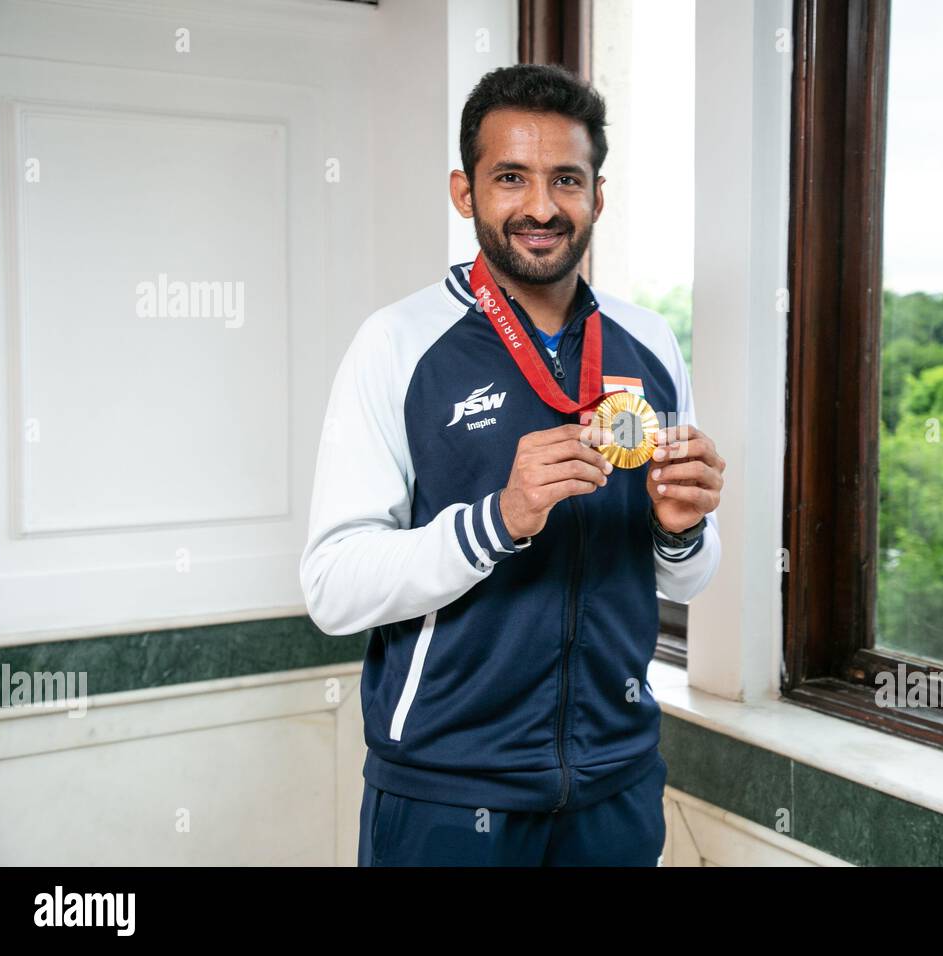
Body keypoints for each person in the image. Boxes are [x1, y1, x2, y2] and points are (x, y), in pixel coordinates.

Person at [300, 63, 724, 866]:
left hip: (616, 785)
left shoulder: (651, 343)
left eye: (567, 179)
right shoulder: (397, 344)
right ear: (465, 192)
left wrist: (681, 530)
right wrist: (497, 521)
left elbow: (686, 580)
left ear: (598, 196)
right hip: (447, 792)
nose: (540, 207)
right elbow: (332, 585)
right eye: (510, 178)